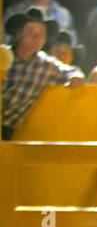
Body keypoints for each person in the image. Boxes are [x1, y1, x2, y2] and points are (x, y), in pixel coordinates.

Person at [1, 9, 85, 139]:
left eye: (41, 33)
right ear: (18, 33)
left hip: (8, 131)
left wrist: (75, 76)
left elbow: (70, 71)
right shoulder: (3, 55)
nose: (36, 37)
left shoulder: (46, 65)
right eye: (30, 31)